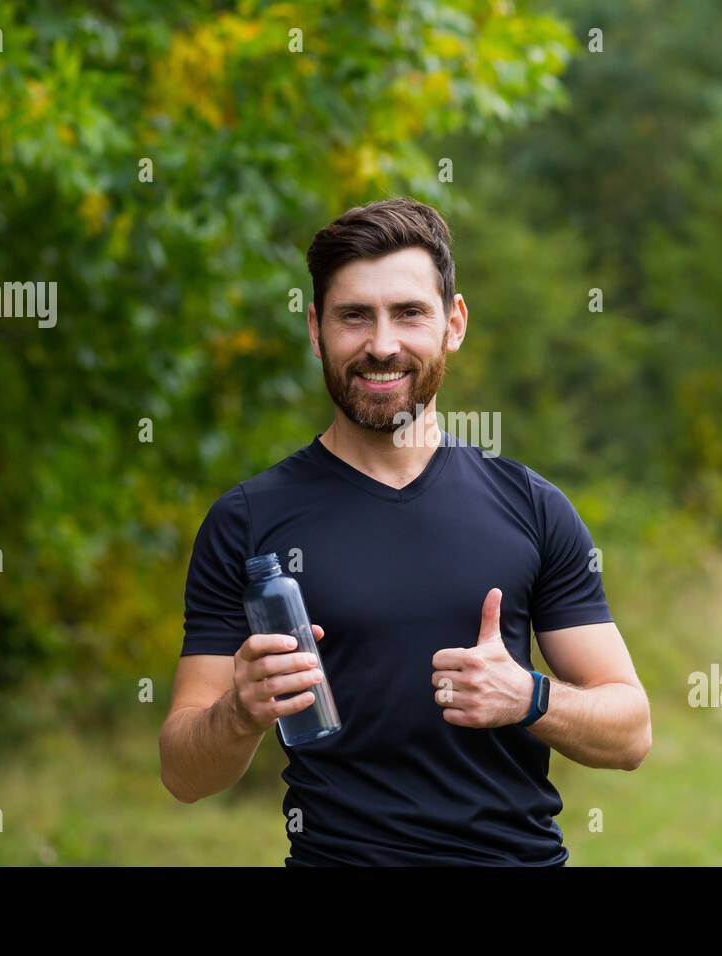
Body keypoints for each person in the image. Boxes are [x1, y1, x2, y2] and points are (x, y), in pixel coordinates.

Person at [159, 197, 650, 865]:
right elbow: (184, 775)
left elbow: (629, 733)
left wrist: (529, 696)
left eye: (409, 313)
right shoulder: (248, 521)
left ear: (454, 323)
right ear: (314, 329)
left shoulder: (533, 507)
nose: (382, 344)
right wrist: (239, 712)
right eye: (354, 316)